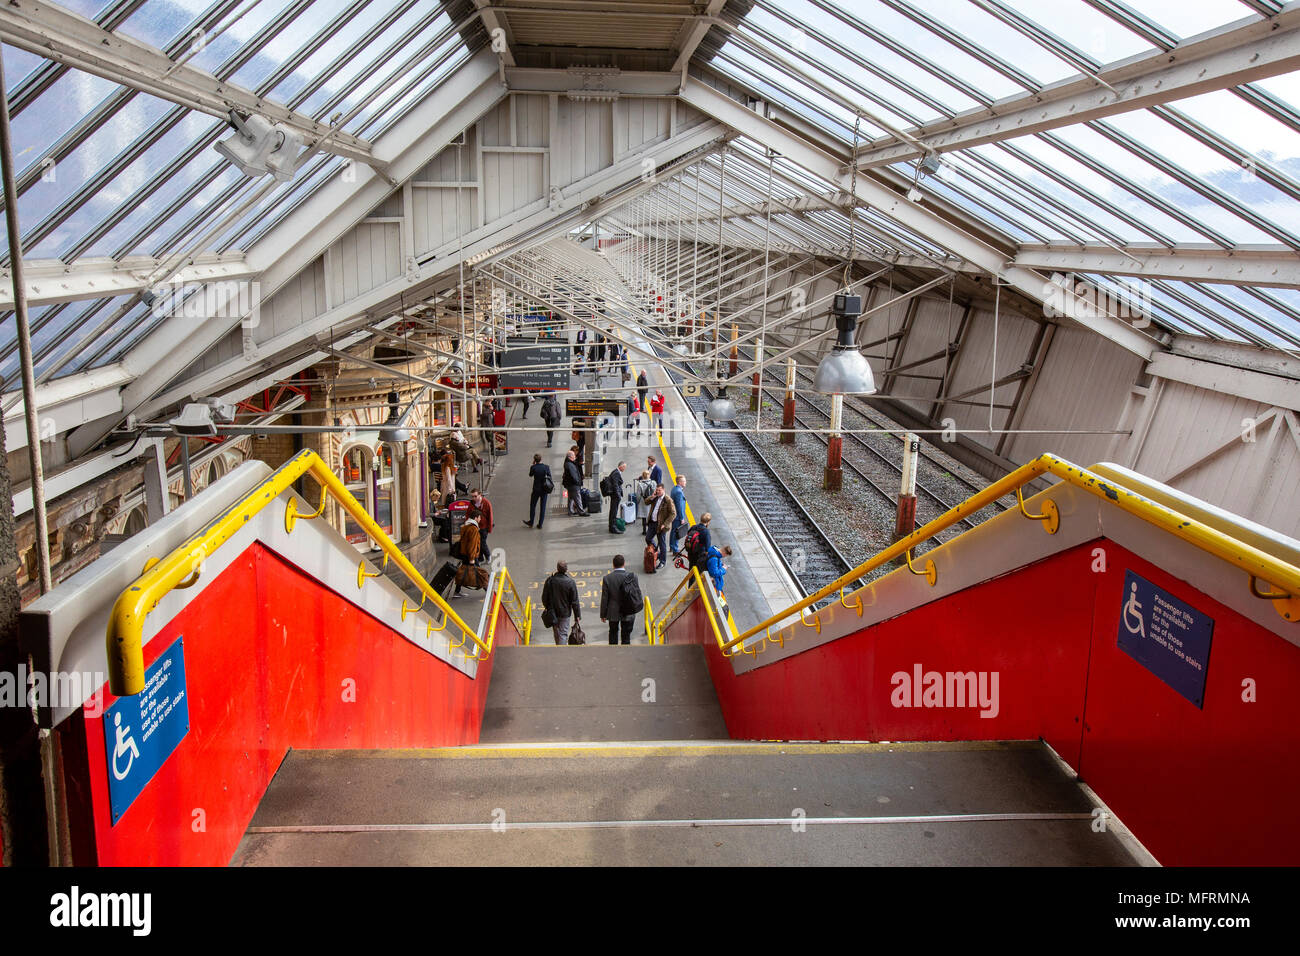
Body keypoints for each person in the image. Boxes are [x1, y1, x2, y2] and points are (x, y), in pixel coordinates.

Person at [600, 554, 643, 646]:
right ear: (624, 564)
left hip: (613, 612)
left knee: (613, 633)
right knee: (626, 636)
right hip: (629, 610)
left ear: (613, 565)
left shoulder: (607, 578)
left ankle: (613, 653)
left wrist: (603, 614)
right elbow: (637, 593)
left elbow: (605, 598)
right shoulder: (633, 577)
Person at [541, 560, 581, 645]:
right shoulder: (570, 582)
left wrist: (548, 607)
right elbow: (575, 601)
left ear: (557, 568)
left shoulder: (550, 580)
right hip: (565, 613)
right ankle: (561, 652)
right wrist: (577, 615)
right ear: (566, 569)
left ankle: (558, 648)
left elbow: (544, 597)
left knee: (556, 633)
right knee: (563, 633)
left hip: (553, 612)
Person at [643, 483, 676, 570]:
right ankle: (656, 553)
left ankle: (662, 561)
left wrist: (665, 524)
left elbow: (673, 514)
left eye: (659, 490)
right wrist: (652, 496)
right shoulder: (655, 497)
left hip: (661, 525)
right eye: (657, 490)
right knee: (648, 538)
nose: (657, 491)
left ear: (663, 490)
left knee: (662, 543)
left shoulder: (668, 500)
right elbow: (646, 502)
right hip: (652, 523)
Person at [451, 516, 481, 599]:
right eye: (479, 517)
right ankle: (489, 590)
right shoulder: (473, 529)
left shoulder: (465, 526)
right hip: (471, 555)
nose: (480, 519)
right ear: (476, 518)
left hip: (464, 553)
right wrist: (472, 558)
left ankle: (457, 591)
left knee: (463, 572)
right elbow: (472, 544)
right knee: (479, 572)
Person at [525, 453, 552, 529]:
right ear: (541, 459)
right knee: (542, 507)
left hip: (536, 489)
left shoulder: (533, 467)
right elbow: (550, 476)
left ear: (534, 460)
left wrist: (533, 465)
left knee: (533, 505)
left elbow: (530, 475)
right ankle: (540, 524)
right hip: (544, 490)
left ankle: (531, 522)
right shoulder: (546, 467)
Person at [468, 488, 493, 556]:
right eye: (472, 496)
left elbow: (490, 516)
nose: (474, 498)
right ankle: (480, 558)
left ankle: (488, 555)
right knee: (477, 543)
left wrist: (489, 528)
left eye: (475, 496)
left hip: (483, 527)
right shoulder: (471, 503)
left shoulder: (486, 503)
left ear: (480, 495)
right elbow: (468, 515)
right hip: (475, 527)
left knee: (482, 543)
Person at [563, 449, 588, 515]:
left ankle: (570, 511)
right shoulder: (570, 465)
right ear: (570, 457)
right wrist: (578, 482)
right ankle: (581, 512)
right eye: (573, 455)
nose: (575, 456)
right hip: (573, 484)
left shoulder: (568, 463)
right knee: (577, 497)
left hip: (570, 484)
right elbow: (573, 475)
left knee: (570, 498)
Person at [604, 460, 627, 533]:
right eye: (624, 467)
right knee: (614, 511)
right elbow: (615, 485)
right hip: (615, 496)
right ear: (621, 466)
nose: (624, 469)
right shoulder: (616, 473)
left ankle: (612, 525)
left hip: (614, 495)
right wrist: (618, 495)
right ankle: (612, 527)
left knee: (613, 511)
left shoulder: (615, 472)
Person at [669, 474, 688, 554]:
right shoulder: (679, 492)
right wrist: (682, 518)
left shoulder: (674, 489)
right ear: (680, 482)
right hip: (677, 516)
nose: (685, 482)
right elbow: (679, 506)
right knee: (676, 532)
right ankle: (675, 549)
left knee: (673, 531)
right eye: (684, 481)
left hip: (674, 515)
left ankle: (672, 546)